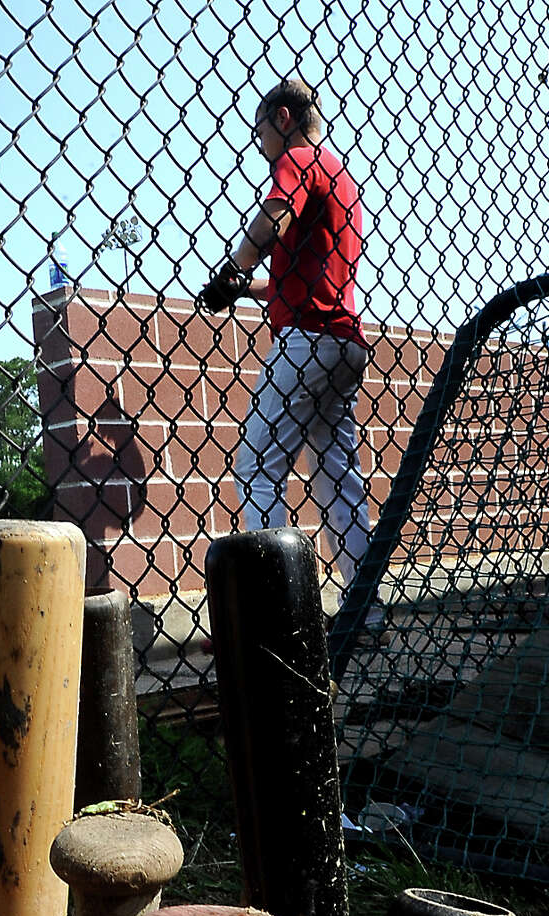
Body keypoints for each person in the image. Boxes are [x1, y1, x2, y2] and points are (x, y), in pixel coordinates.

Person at [198, 78, 375, 616]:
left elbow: (274, 215)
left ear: (282, 118)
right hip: (343, 340)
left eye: (260, 132)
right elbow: (300, 274)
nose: (259, 146)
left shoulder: (298, 158)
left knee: (257, 467)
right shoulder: (342, 177)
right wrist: (243, 288)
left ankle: (281, 616)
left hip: (307, 341)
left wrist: (235, 267)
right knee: (338, 480)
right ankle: (367, 612)